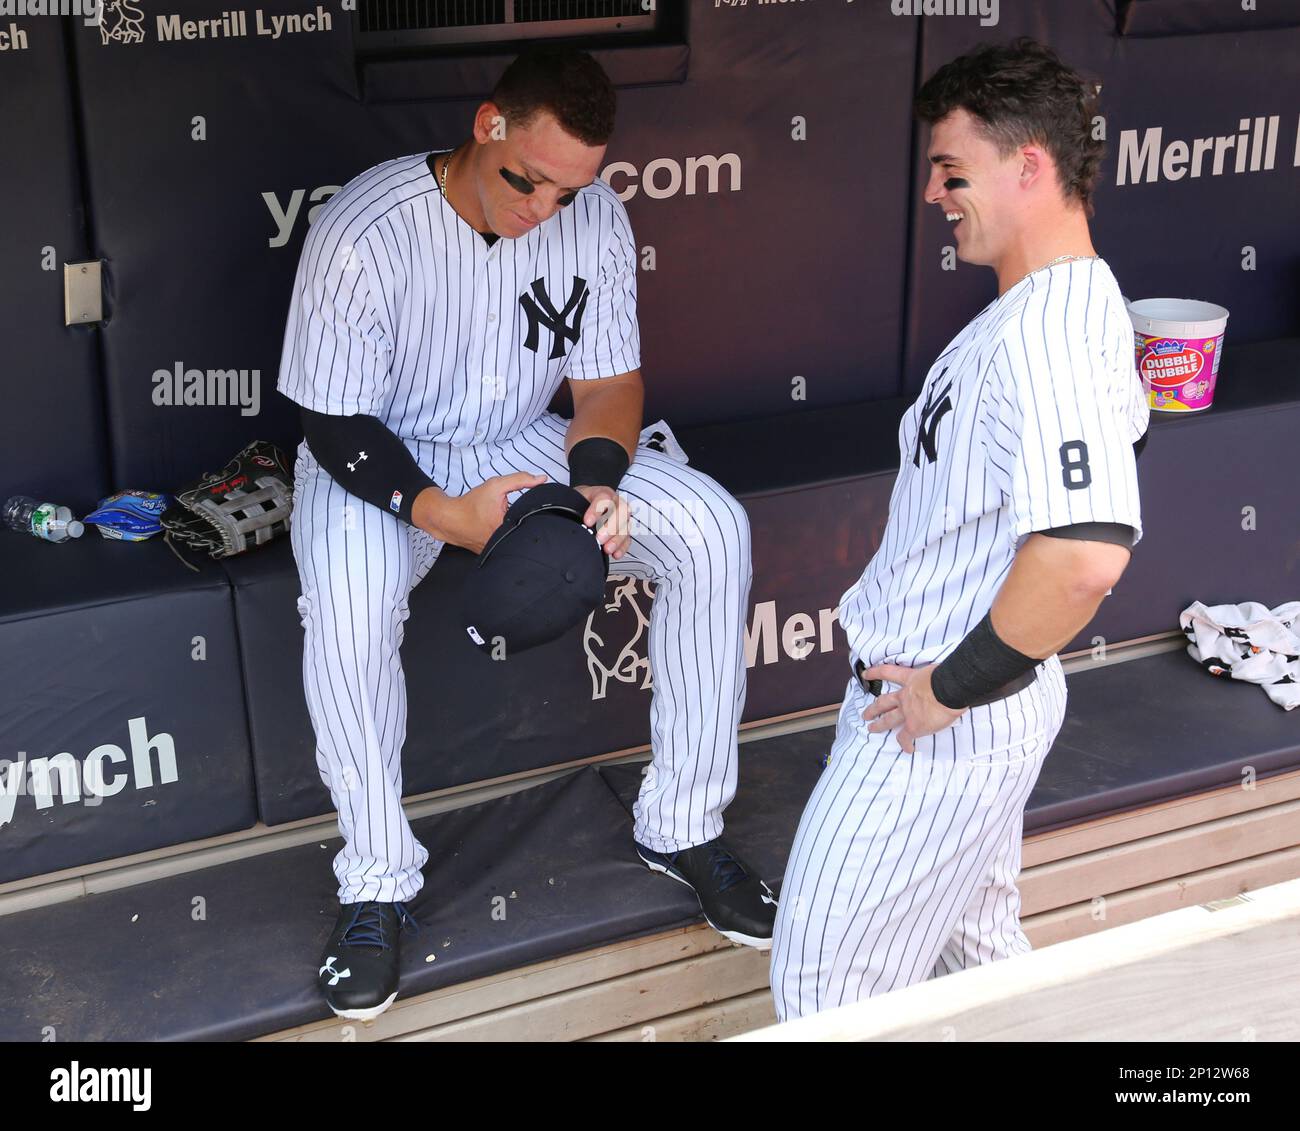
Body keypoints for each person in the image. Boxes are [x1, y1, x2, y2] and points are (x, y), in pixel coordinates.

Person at [276, 45, 776, 1022]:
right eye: (526, 180)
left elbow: (607, 386)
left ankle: (681, 826)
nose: (543, 206)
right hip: (379, 451)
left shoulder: (589, 214)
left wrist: (593, 482)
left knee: (712, 529)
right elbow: (332, 423)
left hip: (522, 439)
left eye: (567, 189)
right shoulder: (364, 228)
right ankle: (376, 884)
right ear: (486, 123)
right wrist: (442, 515)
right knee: (347, 602)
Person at [769, 38, 1150, 1021]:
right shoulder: (1037, 313)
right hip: (959, 700)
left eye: (953, 170)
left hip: (938, 712)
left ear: (1029, 165)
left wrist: (950, 687)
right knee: (979, 974)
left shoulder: (1052, 328)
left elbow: (1081, 556)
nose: (936, 192)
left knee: (822, 997)